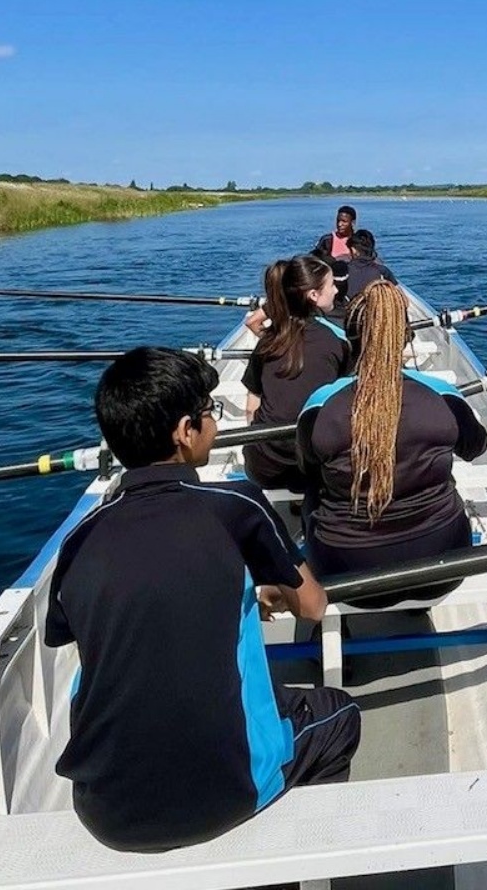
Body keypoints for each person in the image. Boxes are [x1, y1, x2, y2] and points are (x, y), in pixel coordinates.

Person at [44, 346, 360, 853]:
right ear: (184, 432)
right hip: (226, 795)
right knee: (340, 715)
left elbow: (81, 629)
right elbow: (313, 606)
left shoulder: (79, 539)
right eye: (209, 413)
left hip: (103, 812)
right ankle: (287, 862)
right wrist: (267, 587)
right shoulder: (236, 505)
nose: (216, 423)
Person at [296, 280, 487, 605]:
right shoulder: (442, 394)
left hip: (348, 577)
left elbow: (308, 469)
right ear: (407, 336)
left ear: (349, 337)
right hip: (443, 569)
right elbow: (475, 447)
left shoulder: (320, 403)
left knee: (314, 490)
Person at [242, 255, 352, 496]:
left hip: (264, 466)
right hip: (313, 468)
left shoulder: (268, 342)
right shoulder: (337, 342)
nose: (336, 289)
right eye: (331, 284)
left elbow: (252, 408)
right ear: (313, 295)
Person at [311, 205, 357, 304]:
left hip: (352, 286)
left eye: (344, 222)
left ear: (352, 223)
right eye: (338, 221)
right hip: (331, 288)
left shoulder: (358, 241)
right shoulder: (327, 240)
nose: (340, 224)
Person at [344, 228, 398, 301]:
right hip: (376, 310)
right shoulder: (382, 271)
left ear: (353, 250)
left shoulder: (344, 270)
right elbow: (398, 295)